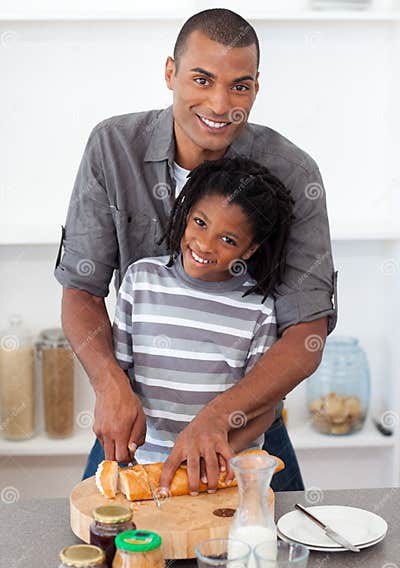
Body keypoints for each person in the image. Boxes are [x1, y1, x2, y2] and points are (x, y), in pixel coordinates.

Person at [55, 8, 337, 493]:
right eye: (202, 79)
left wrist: (218, 419)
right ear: (170, 73)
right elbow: (81, 291)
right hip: (138, 433)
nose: (220, 103)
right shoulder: (112, 147)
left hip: (246, 432)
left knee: (277, 559)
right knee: (102, 553)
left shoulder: (294, 173)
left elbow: (305, 331)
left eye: (240, 86)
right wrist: (109, 386)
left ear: (256, 87)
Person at [85, 157, 295, 491]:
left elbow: (263, 411)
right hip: (146, 471)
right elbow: (120, 378)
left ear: (251, 249)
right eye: (200, 222)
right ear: (185, 213)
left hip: (220, 477)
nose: (204, 244)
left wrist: (215, 454)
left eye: (228, 240)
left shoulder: (258, 310)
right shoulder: (141, 280)